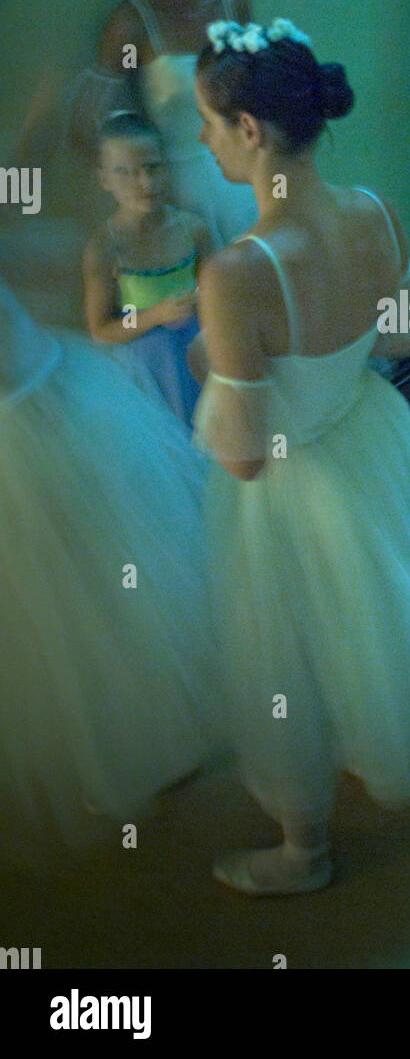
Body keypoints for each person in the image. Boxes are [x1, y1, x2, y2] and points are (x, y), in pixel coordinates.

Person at [190, 17, 410, 894]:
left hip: (291, 477)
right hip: (373, 442)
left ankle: (302, 849)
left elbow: (242, 458)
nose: (203, 140)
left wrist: (212, 365)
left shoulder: (236, 272)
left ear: (248, 130)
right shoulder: (377, 212)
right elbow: (398, 343)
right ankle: (374, 741)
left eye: (208, 122)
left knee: (286, 652)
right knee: (369, 617)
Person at [0, 270, 218, 856]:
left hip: (48, 408)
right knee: (72, 609)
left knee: (87, 602)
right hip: (43, 408)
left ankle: (133, 750)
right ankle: (124, 751)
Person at [71, 0, 258, 246]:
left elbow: (259, 98)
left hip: (243, 182)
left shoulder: (234, 2)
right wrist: (137, 188)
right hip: (176, 195)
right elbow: (84, 127)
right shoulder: (132, 21)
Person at [83, 112, 212, 429]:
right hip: (146, 370)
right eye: (125, 172)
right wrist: (157, 314)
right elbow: (100, 330)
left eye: (152, 167)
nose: (144, 183)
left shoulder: (193, 229)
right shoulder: (104, 247)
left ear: (165, 164)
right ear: (104, 179)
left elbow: (217, 297)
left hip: (201, 356)